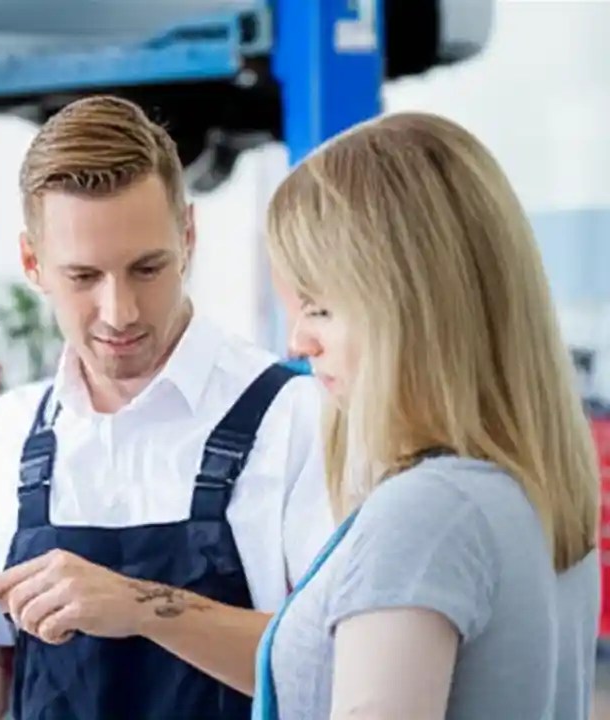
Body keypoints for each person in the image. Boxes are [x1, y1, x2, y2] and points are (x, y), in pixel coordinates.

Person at [0, 95, 335, 718]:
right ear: (32, 263)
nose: (119, 311)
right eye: (83, 277)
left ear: (188, 236)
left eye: (147, 268)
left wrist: (140, 607)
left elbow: (332, 666)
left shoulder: (299, 422)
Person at [251, 112, 601, 719]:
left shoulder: (424, 515)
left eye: (320, 308)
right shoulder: (535, 496)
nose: (297, 343)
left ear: (407, 309)